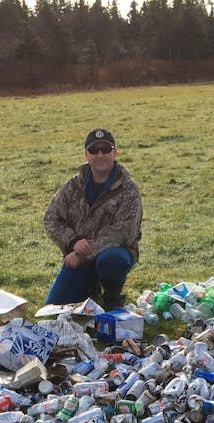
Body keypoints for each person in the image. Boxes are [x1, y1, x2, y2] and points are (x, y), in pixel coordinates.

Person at [43, 128, 143, 310]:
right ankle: (90, 289)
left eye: (106, 149)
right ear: (86, 155)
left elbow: (123, 233)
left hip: (110, 254)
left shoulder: (128, 189)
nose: (100, 155)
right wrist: (72, 241)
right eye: (94, 150)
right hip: (77, 254)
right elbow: (51, 218)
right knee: (54, 306)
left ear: (115, 152)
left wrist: (83, 255)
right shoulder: (73, 185)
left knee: (113, 260)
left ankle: (112, 296)